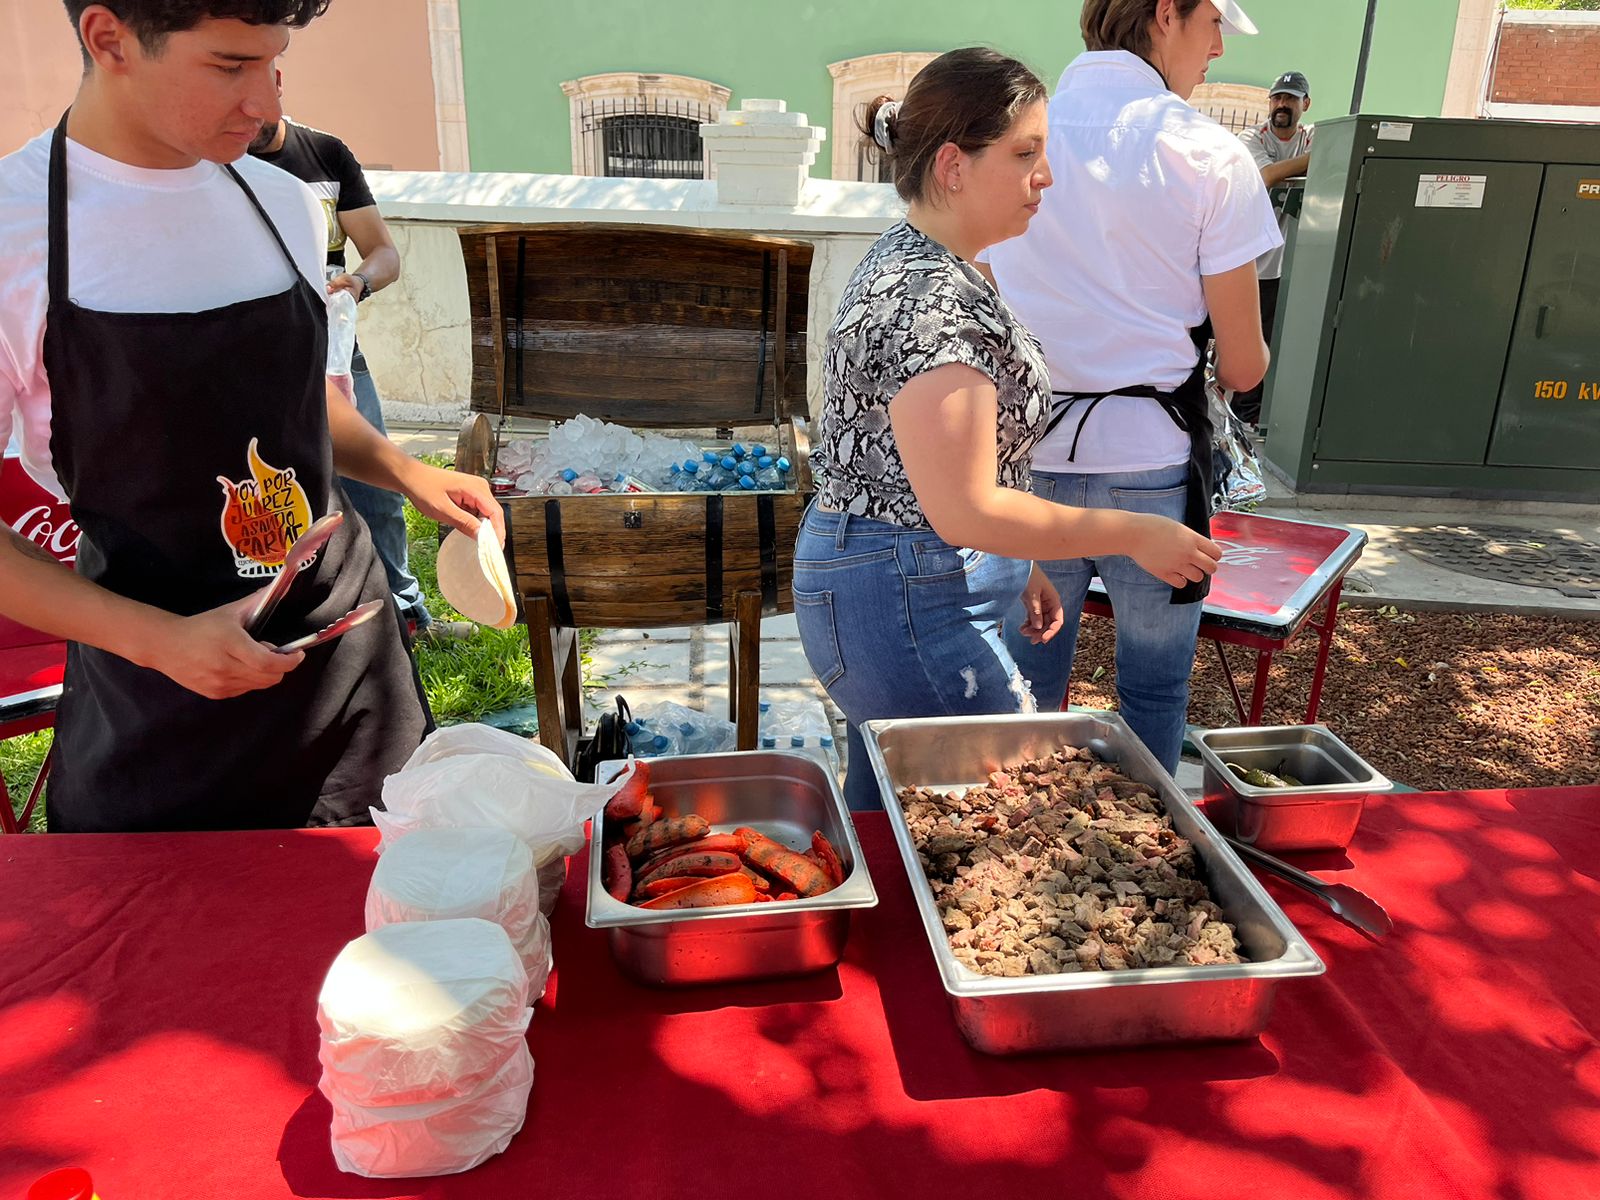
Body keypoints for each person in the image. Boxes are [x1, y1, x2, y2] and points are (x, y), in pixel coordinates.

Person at [0, 0, 504, 832]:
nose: (267, 107)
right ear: (108, 38)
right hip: (158, 697)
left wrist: (406, 470)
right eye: (231, 67)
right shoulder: (17, 233)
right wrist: (162, 642)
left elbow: (292, 403)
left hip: (349, 667)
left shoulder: (282, 203)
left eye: (273, 65)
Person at [795, 47, 1220, 810]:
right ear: (954, 165)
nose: (1046, 177)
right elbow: (965, 508)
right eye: (1025, 154)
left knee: (895, 808)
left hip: (910, 580)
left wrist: (1014, 564)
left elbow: (949, 475)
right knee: (992, 807)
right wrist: (1130, 531)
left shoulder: (940, 263)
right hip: (904, 593)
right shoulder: (931, 299)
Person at [982, 0, 1279, 775]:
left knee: (1026, 700)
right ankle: (1148, 860)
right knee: (1151, 696)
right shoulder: (1208, 153)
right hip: (1154, 467)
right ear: (1164, 15)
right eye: (1213, 20)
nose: (1219, 45)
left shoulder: (1015, 140)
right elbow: (1244, 367)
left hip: (1026, 466)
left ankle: (1015, 861)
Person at [247, 79, 470, 642]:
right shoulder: (215, 165)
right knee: (279, 490)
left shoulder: (325, 155)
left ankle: (405, 614)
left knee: (377, 487)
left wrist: (358, 283)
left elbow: (384, 252)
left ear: (277, 82)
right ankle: (297, 616)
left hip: (338, 353)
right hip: (256, 358)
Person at [1234, 70, 1313, 425]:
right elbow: (1265, 176)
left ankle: (1264, 417)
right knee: (1250, 339)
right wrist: (1316, 161)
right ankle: (1244, 416)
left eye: (1290, 98)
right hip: (1251, 261)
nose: (1282, 104)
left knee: (1283, 341)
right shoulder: (1252, 137)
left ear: (1305, 105)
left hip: (1293, 264)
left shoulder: (1312, 137)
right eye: (1277, 98)